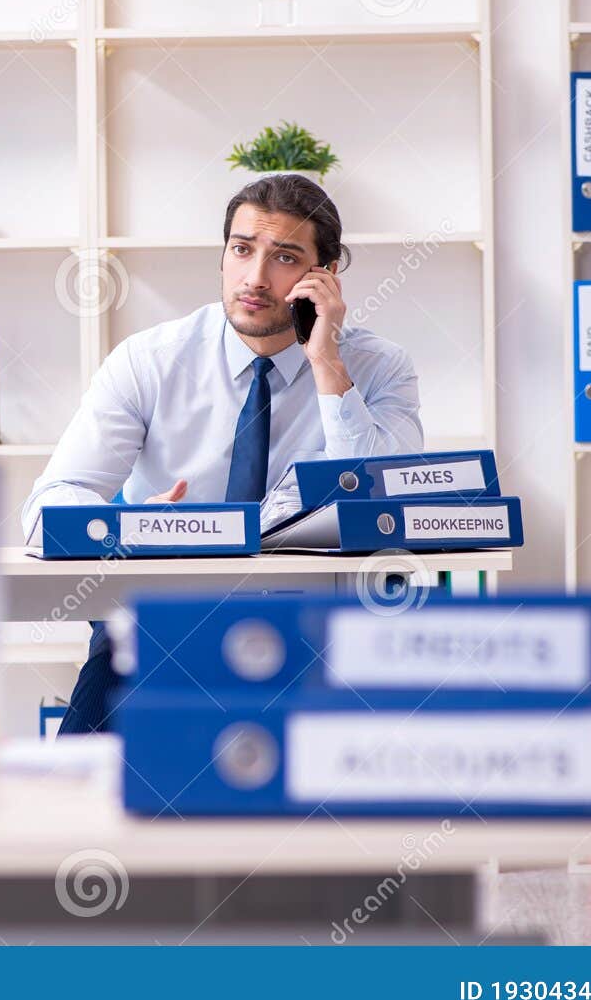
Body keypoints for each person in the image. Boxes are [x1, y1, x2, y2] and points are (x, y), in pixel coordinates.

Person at [21, 173, 423, 734]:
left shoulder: (380, 368)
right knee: (77, 784)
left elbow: (387, 507)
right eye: (241, 249)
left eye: (284, 257)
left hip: (314, 626)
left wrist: (327, 364)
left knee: (348, 784)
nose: (254, 278)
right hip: (158, 621)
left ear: (324, 275)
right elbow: (46, 509)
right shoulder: (149, 360)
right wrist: (133, 529)